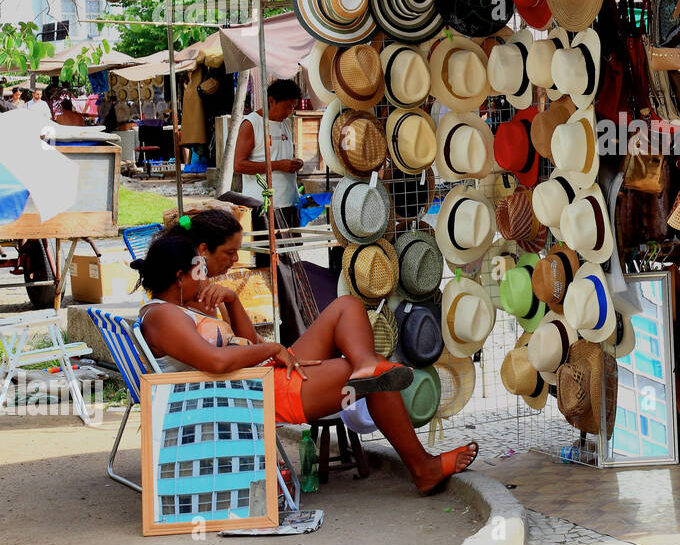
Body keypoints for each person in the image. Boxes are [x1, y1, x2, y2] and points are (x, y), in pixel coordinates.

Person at [134, 209, 478, 495]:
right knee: (376, 378)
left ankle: (364, 364)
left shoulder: (188, 305)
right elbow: (217, 360)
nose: (208, 276)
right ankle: (422, 466)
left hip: (256, 377)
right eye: (202, 270)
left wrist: (232, 300)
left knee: (346, 307)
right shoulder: (164, 316)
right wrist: (272, 348)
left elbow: (246, 347)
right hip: (247, 395)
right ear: (181, 276)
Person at [233, 78, 303, 267]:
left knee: (291, 261)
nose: (290, 112)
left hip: (288, 203)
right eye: (287, 106)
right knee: (269, 262)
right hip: (264, 207)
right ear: (271, 101)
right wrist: (279, 164)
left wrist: (294, 163)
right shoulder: (251, 124)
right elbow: (239, 165)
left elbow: (281, 156)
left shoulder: (285, 123)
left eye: (293, 107)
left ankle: (290, 297)